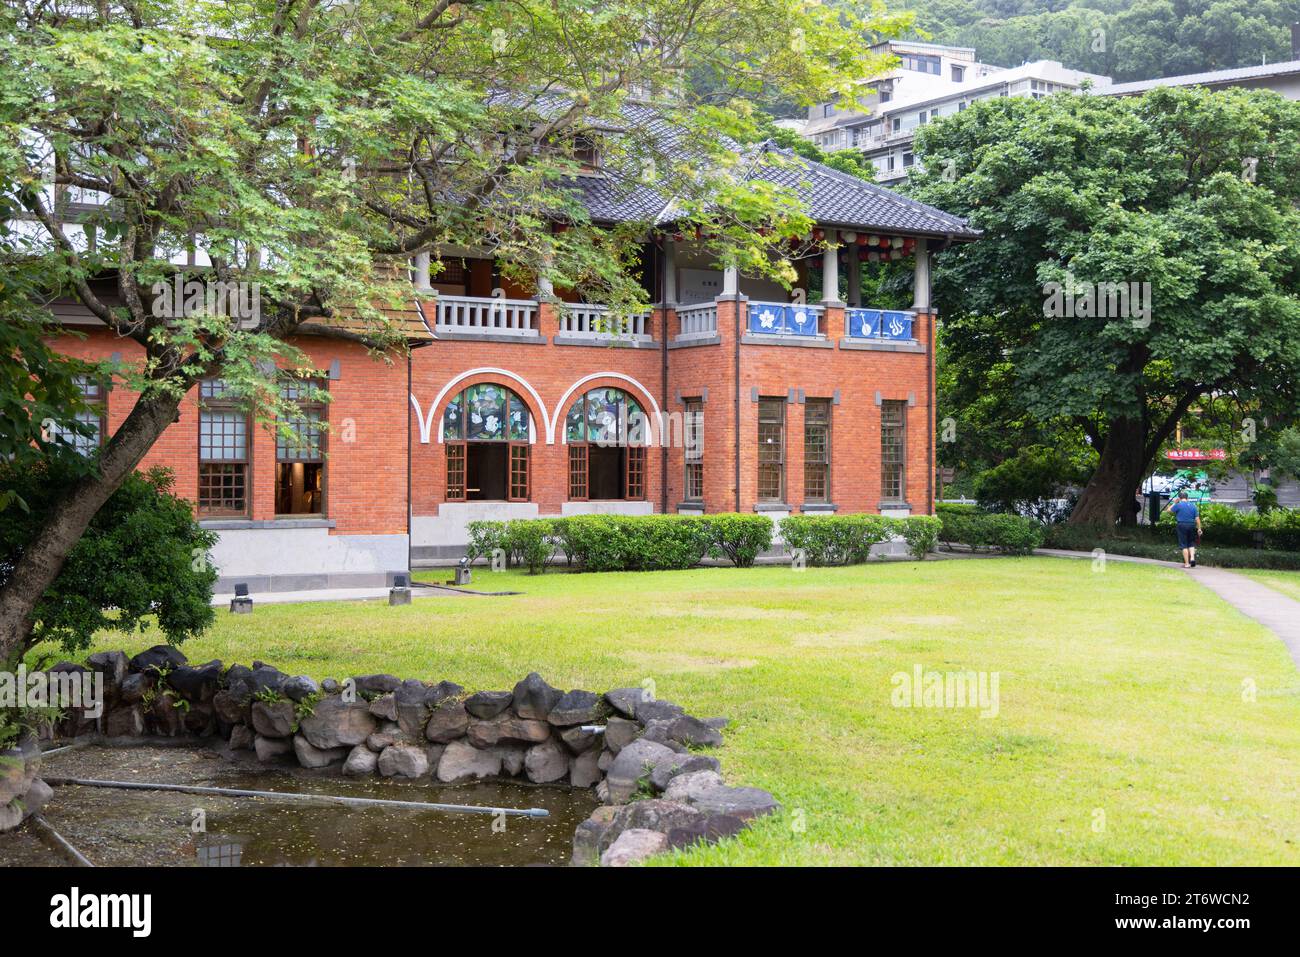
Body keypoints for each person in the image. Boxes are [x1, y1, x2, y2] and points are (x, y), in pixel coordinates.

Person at [1163, 490, 1203, 568]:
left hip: (1182, 525)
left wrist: (1175, 503)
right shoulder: (1193, 506)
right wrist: (1199, 528)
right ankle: (1192, 558)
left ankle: (1187, 563)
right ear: (1187, 498)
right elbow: (1197, 519)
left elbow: (1168, 510)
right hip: (1192, 525)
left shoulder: (1178, 505)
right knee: (1191, 543)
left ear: (1179, 498)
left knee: (1184, 545)